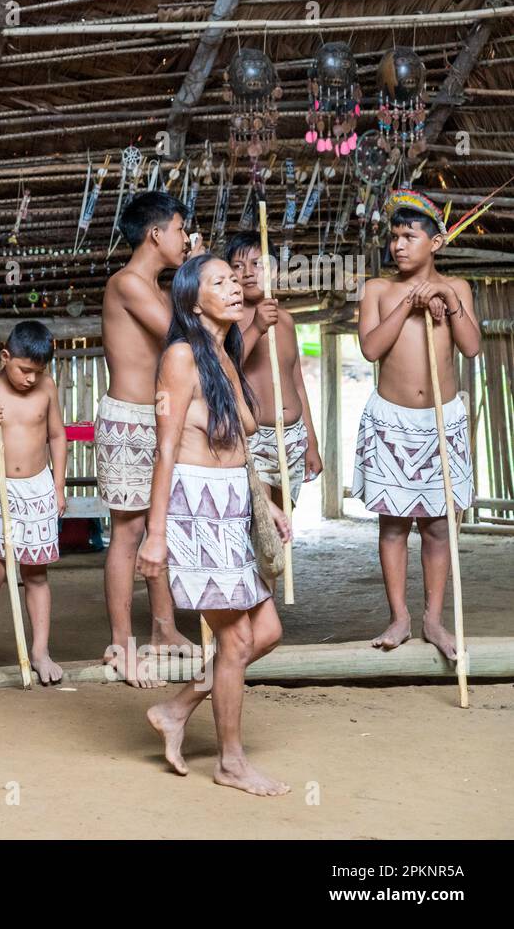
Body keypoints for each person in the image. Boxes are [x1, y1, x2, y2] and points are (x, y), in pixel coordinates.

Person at [137, 253, 292, 797]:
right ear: (190, 298)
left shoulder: (228, 350)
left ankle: (176, 709)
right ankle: (230, 760)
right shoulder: (180, 356)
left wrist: (264, 502)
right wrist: (155, 534)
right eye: (219, 282)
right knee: (238, 637)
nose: (233, 287)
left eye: (234, 279)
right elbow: (164, 447)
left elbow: (238, 441)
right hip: (194, 510)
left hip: (232, 508)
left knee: (265, 632)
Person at [353, 191, 480, 659]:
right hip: (392, 421)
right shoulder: (377, 290)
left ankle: (432, 619)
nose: (399, 245)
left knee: (437, 526)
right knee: (392, 525)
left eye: (410, 236)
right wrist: (407, 303)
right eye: (394, 236)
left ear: (437, 242)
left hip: (441, 422)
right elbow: (371, 349)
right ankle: (400, 616)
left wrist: (446, 297)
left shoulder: (458, 288)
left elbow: (470, 347)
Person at [96, 191, 198, 686]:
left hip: (156, 419)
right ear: (157, 233)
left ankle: (163, 629)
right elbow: (182, 336)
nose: (187, 238)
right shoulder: (129, 283)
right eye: (181, 229)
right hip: (126, 420)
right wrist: (201, 278)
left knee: (161, 525)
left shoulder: (156, 286)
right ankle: (120, 644)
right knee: (129, 532)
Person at [0, 320, 68, 686]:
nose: (31, 379)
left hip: (37, 488)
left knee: (35, 572)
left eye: (38, 372)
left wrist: (58, 486)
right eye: (24, 370)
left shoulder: (46, 388)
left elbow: (56, 435)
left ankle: (39, 651)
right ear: (4, 357)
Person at [226, 231, 323, 506]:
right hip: (251, 439)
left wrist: (311, 444)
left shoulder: (286, 321)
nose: (248, 272)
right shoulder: (226, 319)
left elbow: (298, 385)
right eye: (238, 265)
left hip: (292, 437)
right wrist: (256, 327)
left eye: (258, 264)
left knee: (283, 530)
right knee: (264, 525)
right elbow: (225, 369)